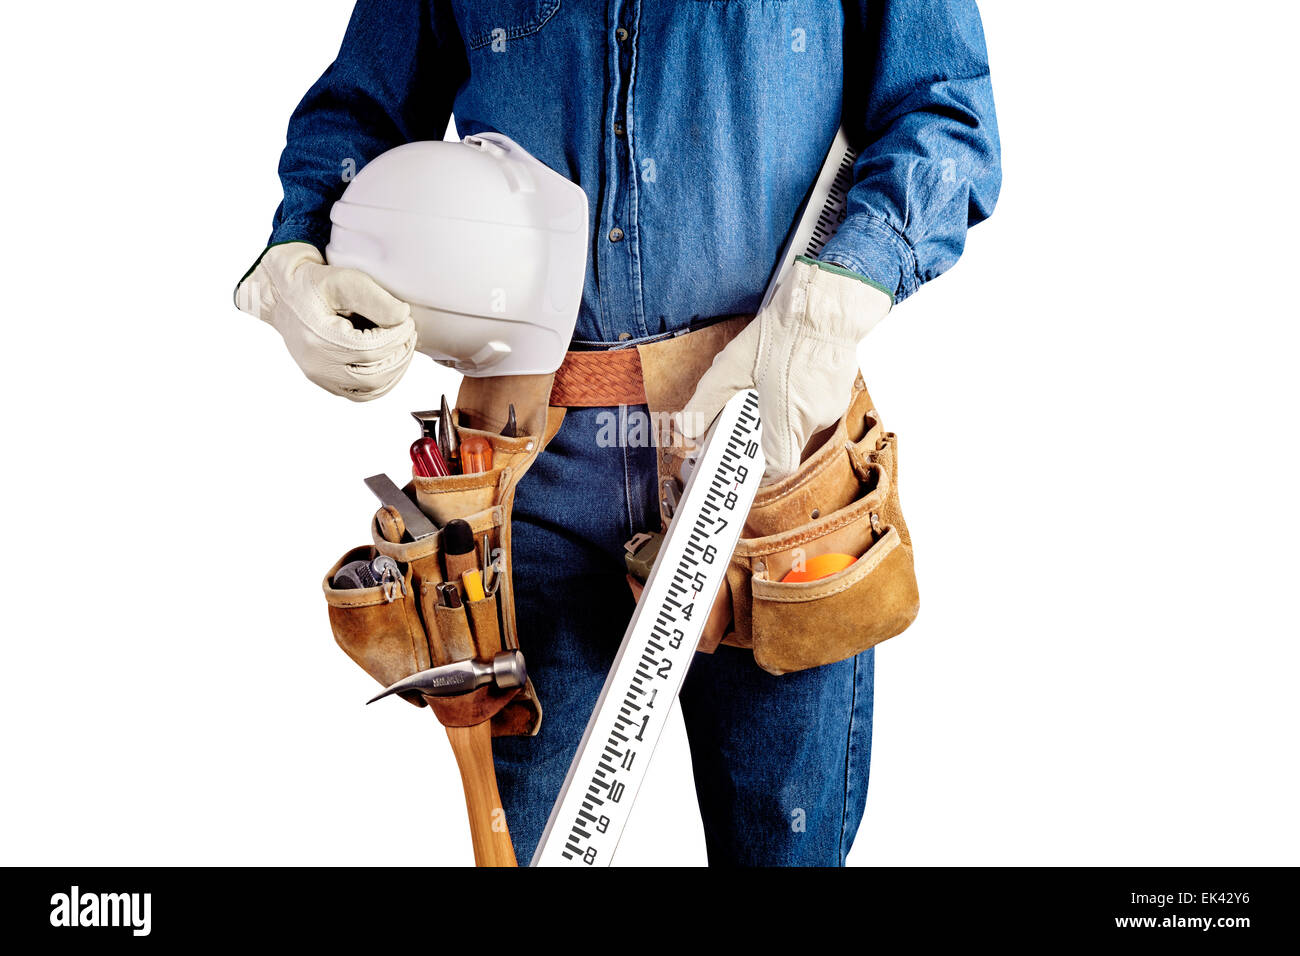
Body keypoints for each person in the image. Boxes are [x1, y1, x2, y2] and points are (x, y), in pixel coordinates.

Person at [236, 0, 1000, 866]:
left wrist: (840, 294)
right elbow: (361, 112)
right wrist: (297, 257)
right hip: (529, 469)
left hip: (769, 457)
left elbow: (943, 108)